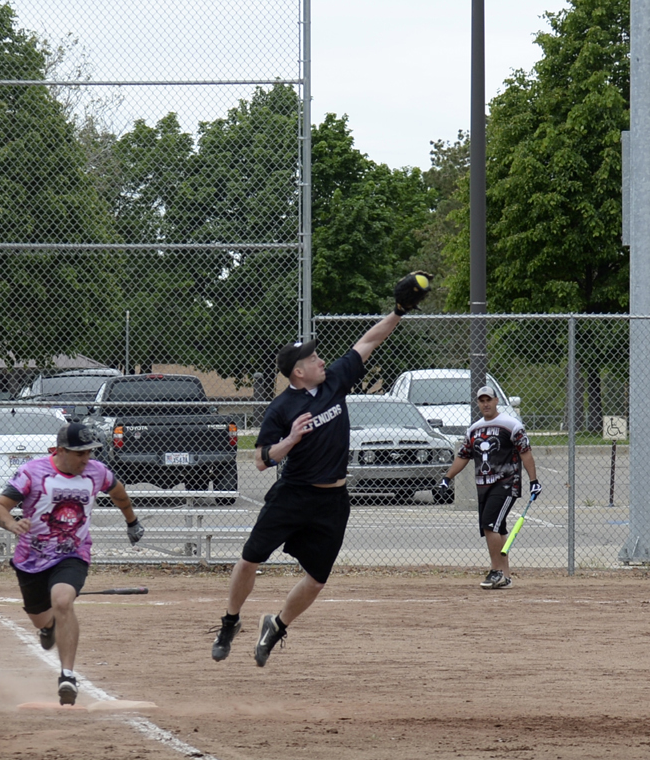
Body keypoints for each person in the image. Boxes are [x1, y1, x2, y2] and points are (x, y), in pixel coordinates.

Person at [211, 272, 427, 667]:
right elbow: (260, 460)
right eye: (312, 358)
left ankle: (276, 626)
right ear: (297, 371)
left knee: (317, 579)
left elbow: (368, 342)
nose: (320, 359)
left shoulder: (334, 383)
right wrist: (289, 441)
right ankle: (230, 621)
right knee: (249, 559)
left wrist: (398, 312)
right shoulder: (281, 410)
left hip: (332, 501)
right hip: (293, 495)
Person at [0, 421, 143, 705]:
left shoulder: (97, 473)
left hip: (73, 554)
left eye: (89, 452)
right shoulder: (32, 472)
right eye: (79, 453)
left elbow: (119, 492)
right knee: (42, 615)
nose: (86, 458)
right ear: (61, 451)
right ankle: (48, 627)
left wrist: (132, 522)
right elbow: (0, 508)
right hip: (31, 559)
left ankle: (67, 676)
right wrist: (12, 524)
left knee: (62, 600)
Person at [439, 385, 539, 589]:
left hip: (506, 483)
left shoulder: (511, 425)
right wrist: (447, 478)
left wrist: (534, 481)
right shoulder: (474, 429)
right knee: (497, 528)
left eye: (488, 400)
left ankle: (496, 571)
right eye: (481, 401)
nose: (485, 404)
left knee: (489, 524)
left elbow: (525, 452)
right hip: (483, 485)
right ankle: (506, 577)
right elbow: (463, 456)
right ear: (478, 403)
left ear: (496, 401)